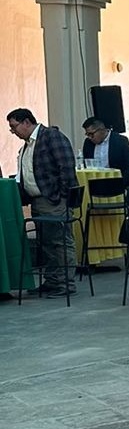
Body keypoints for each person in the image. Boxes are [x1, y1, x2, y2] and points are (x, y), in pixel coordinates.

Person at [7, 107, 78, 297]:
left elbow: (66, 167)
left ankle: (65, 283)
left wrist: (62, 196)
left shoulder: (51, 137)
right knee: (46, 243)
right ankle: (53, 280)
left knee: (59, 241)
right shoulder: (28, 145)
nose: (13, 131)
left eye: (14, 126)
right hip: (37, 200)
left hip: (53, 199)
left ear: (26, 122)